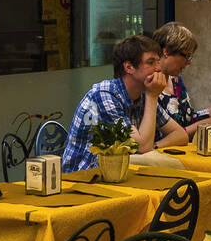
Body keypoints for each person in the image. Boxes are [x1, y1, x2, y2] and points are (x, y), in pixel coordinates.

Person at [61, 35, 188, 172]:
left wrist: (155, 146)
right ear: (129, 67)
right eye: (151, 62)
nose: (158, 68)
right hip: (83, 175)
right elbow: (141, 148)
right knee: (162, 165)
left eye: (158, 61)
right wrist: (152, 96)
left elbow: (180, 135)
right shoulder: (104, 95)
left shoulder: (143, 94)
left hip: (116, 171)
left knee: (167, 167)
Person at [151, 22, 211, 137]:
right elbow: (165, 135)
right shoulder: (150, 84)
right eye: (186, 56)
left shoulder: (176, 80)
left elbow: (189, 118)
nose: (189, 62)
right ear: (166, 51)